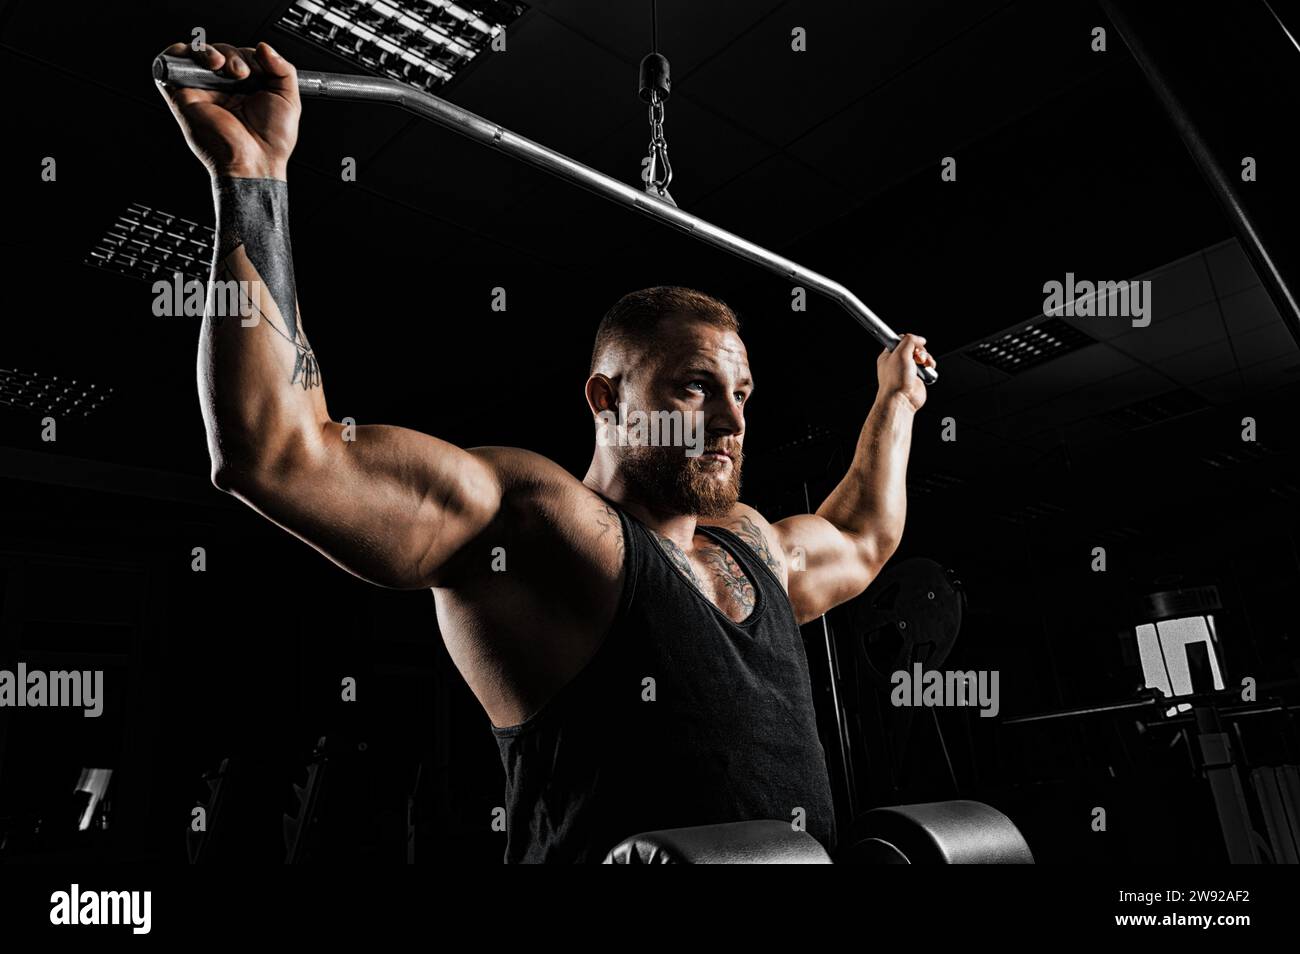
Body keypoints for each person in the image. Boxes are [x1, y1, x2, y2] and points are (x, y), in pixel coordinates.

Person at [157, 40, 937, 863]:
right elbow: (276, 452)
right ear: (607, 400)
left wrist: (898, 399)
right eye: (693, 388)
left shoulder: (753, 547)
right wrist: (251, 177)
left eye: (740, 394)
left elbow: (862, 536)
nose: (730, 421)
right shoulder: (544, 527)